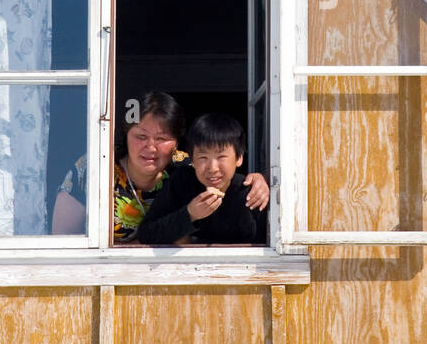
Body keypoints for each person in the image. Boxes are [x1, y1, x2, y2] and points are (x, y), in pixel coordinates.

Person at [51, 91, 268, 242]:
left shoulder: (185, 166)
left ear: (176, 143)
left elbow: (224, 169)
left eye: (162, 138)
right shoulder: (94, 168)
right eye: (141, 136)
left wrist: (259, 180)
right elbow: (63, 239)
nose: (150, 147)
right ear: (126, 135)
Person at [136, 113, 262, 245]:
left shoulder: (251, 193)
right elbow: (146, 234)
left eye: (221, 157)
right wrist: (190, 214)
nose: (212, 168)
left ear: (239, 158)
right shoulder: (182, 182)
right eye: (203, 158)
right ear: (192, 159)